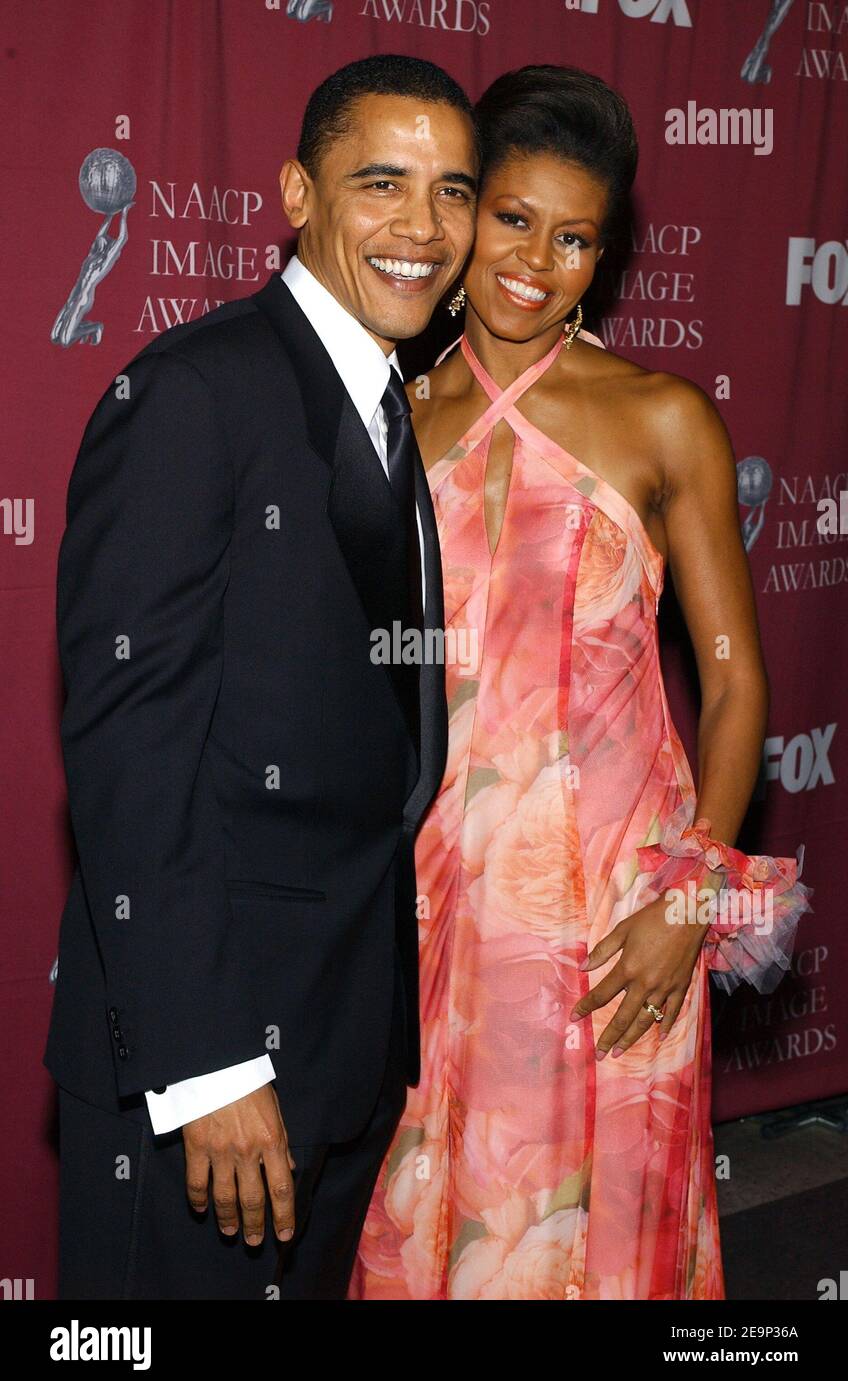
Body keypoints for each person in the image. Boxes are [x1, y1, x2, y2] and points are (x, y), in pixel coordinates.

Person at [349, 64, 811, 1301]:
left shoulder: (661, 417)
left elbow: (733, 683)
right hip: (432, 898)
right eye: (510, 219)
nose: (534, 262)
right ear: (461, 214)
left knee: (601, 1238)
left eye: (574, 239)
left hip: (618, 909)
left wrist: (691, 897)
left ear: (602, 258)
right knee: (441, 1207)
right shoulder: (390, 415)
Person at [44, 53, 478, 1300]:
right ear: (298, 190)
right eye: (381, 183)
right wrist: (213, 1066)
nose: (423, 227)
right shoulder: (193, 394)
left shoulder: (384, 404)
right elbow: (131, 751)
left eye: (452, 191)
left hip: (337, 1045)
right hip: (208, 1067)